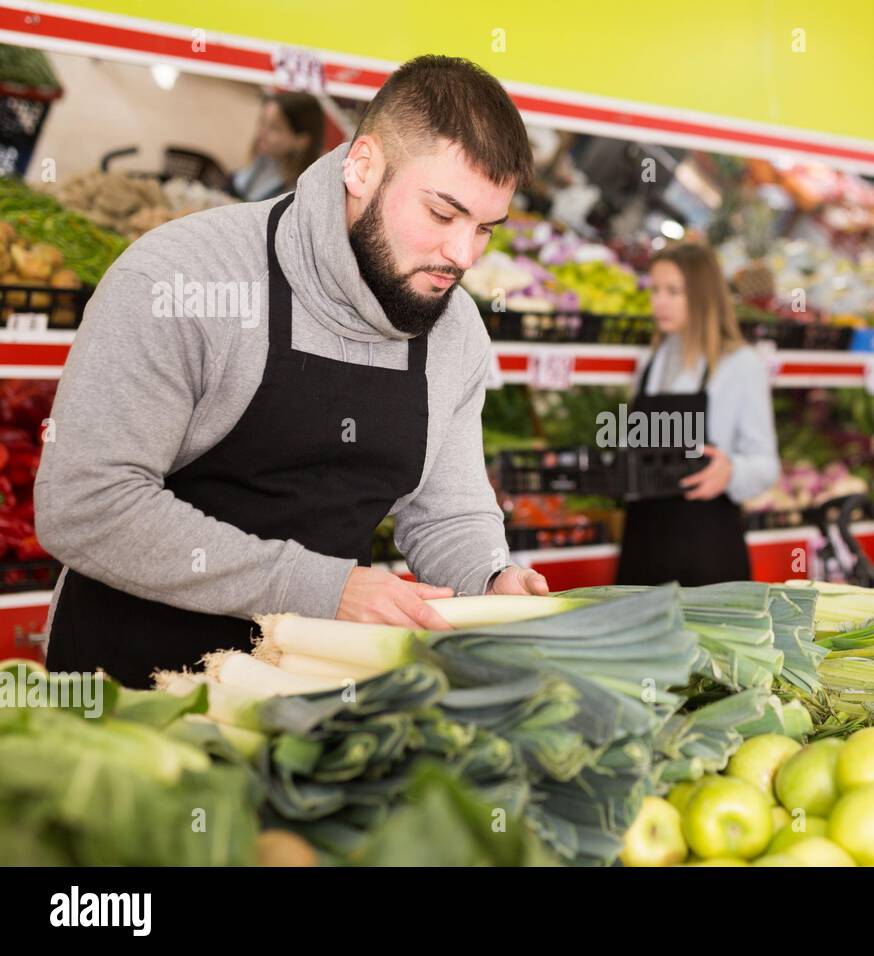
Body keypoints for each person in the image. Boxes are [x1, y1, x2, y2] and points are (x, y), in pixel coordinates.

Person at [36, 56, 549, 688]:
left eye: (486, 230)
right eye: (443, 215)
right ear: (362, 166)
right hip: (127, 694)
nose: (463, 255)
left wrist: (492, 575)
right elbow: (85, 504)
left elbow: (449, 513)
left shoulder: (456, 329)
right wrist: (317, 588)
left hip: (311, 698)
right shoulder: (184, 276)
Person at [615, 243, 779, 587]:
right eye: (655, 290)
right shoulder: (652, 361)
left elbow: (766, 465)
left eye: (674, 291)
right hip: (643, 541)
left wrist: (730, 473)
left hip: (706, 548)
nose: (659, 301)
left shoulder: (740, 365)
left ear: (703, 296)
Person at [230, 91, 325, 202]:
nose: (262, 132)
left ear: (301, 140)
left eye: (274, 128)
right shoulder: (266, 158)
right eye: (262, 121)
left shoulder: (301, 194)